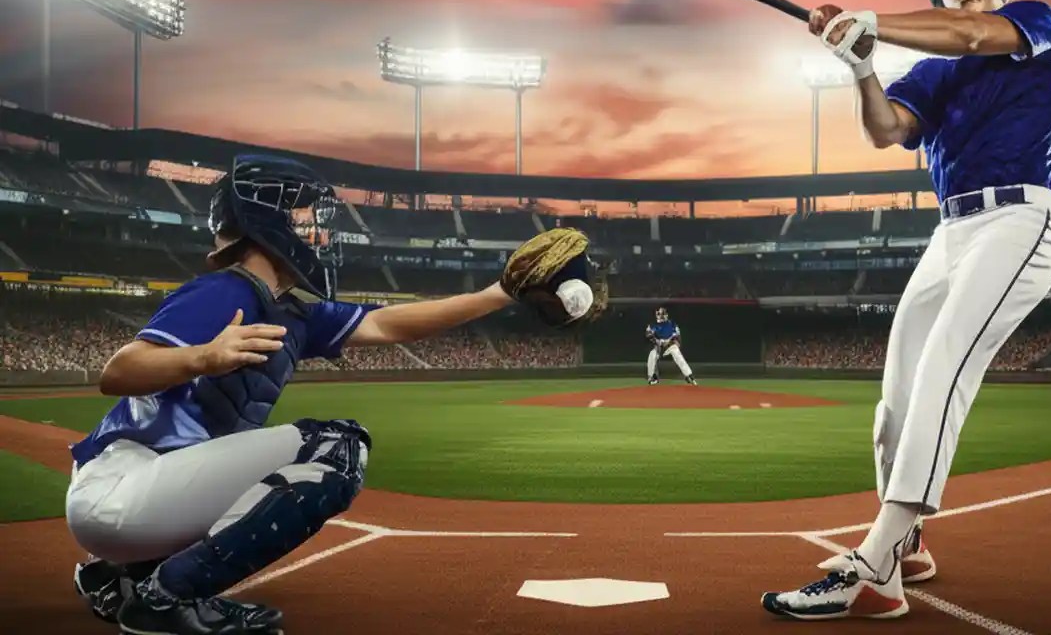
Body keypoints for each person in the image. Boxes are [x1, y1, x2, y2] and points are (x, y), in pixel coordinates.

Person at [67, 154, 601, 635]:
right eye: (301, 218)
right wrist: (203, 356)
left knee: (264, 483)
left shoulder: (292, 311)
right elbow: (119, 370)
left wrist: (498, 293)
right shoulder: (227, 289)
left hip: (145, 500)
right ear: (265, 222)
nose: (314, 231)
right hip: (122, 487)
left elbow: (387, 324)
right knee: (338, 449)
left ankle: (120, 575)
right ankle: (165, 598)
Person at [762, 0, 1051, 620]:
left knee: (942, 370)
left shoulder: (1032, 23)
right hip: (952, 232)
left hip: (1019, 220)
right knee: (895, 400)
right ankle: (906, 548)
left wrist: (870, 20)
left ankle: (874, 567)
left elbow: (970, 35)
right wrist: (860, 64)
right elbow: (885, 129)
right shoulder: (933, 73)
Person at [645, 307, 696, 385]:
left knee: (676, 352)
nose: (662, 316)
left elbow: (677, 336)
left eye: (663, 314)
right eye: (660, 314)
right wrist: (656, 341)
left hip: (669, 345)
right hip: (658, 346)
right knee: (652, 355)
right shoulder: (652, 325)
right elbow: (648, 335)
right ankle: (652, 376)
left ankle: (688, 375)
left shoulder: (672, 324)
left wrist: (670, 341)